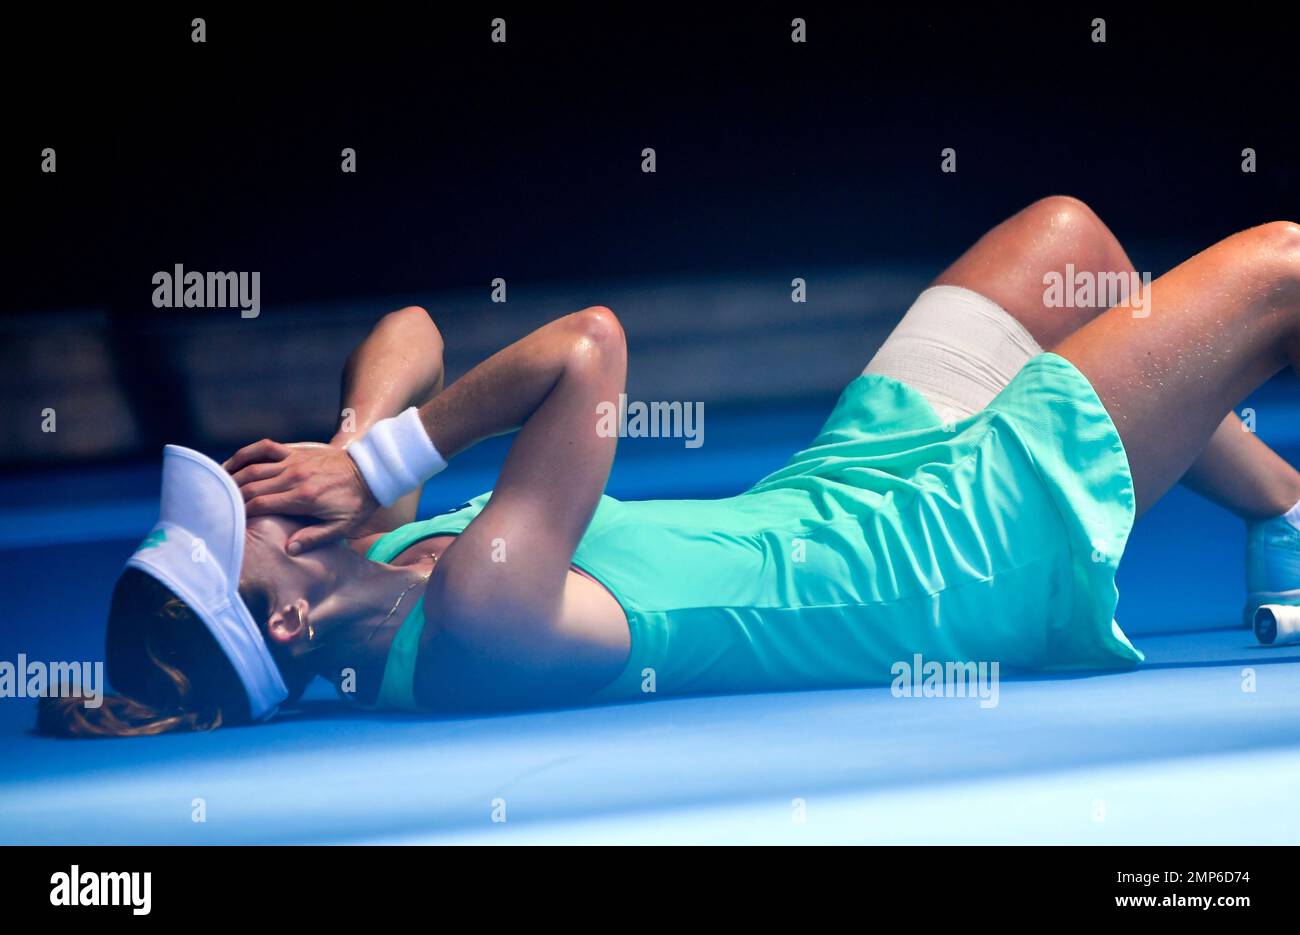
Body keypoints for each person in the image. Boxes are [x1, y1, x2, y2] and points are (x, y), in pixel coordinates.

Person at [39, 196, 1300, 736]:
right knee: (1281, 266)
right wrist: (380, 462)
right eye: (234, 532)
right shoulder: (477, 613)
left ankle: (1285, 511)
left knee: (1064, 245)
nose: (252, 501)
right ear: (288, 610)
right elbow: (588, 348)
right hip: (942, 559)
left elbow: (412, 336)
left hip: (844, 482)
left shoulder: (372, 566)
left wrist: (354, 450)